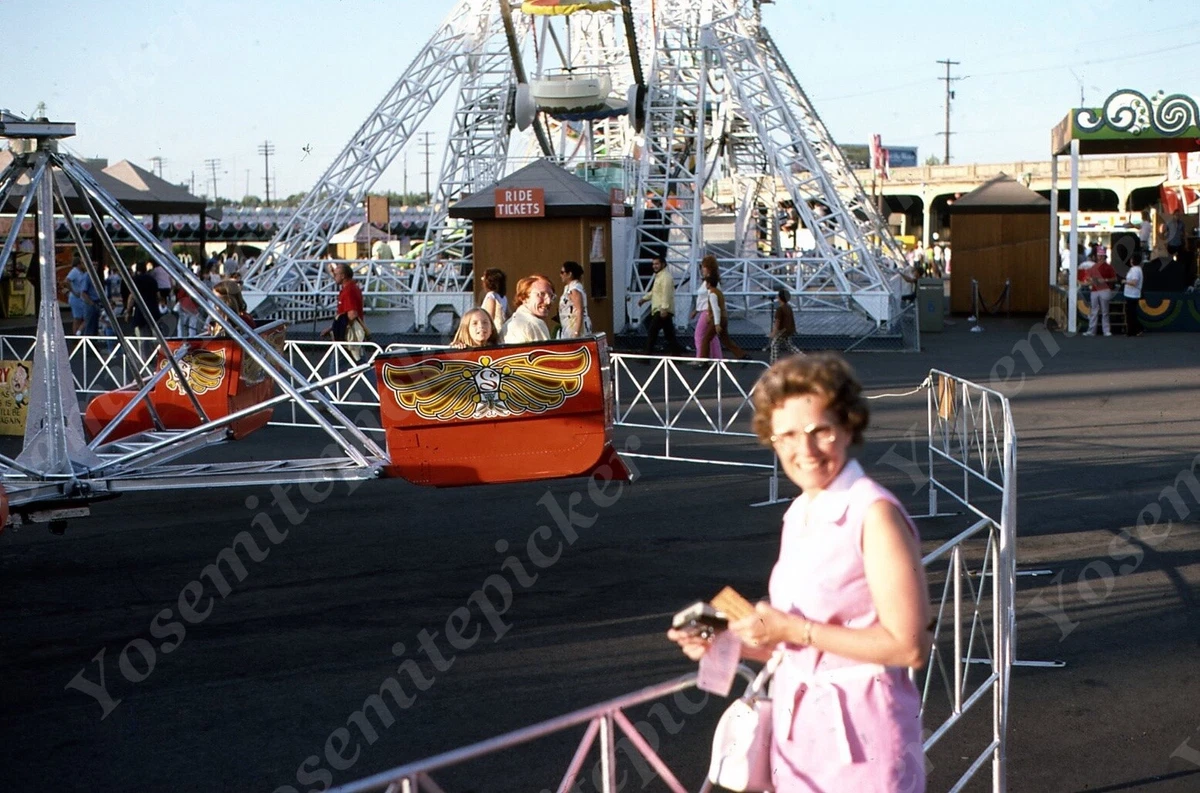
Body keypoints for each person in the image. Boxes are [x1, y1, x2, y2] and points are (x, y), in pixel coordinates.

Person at [668, 353, 930, 792]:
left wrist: (793, 627)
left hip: (863, 743)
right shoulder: (801, 512)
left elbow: (909, 647)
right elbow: (797, 645)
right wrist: (724, 642)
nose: (803, 450)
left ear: (848, 427)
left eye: (819, 431)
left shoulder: (874, 514)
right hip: (799, 738)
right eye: (786, 435)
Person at [700, 255, 747, 359]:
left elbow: (716, 309)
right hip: (724, 317)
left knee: (706, 339)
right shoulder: (718, 292)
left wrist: (716, 323)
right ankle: (742, 355)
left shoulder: (712, 293)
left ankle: (704, 360)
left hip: (718, 319)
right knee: (726, 340)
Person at [638, 256, 685, 355]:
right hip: (661, 310)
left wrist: (664, 308)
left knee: (652, 332)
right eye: (653, 264)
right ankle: (677, 355)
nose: (654, 266)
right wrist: (644, 299)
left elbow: (666, 293)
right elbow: (655, 292)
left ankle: (646, 356)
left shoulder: (665, 277)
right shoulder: (660, 276)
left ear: (663, 264)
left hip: (661, 310)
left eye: (657, 264)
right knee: (669, 335)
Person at [500, 274, 554, 344]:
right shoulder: (534, 324)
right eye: (541, 294)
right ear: (524, 298)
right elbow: (546, 354)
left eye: (551, 296)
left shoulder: (507, 325)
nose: (548, 301)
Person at [320, 263, 365, 342]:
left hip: (348, 335)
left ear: (343, 276)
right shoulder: (352, 288)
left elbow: (352, 314)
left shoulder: (348, 291)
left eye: (335, 274)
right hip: (352, 333)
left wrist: (338, 329)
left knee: (347, 353)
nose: (334, 276)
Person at [1080, 250, 1117, 337]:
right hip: (1095, 290)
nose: (1099, 257)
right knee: (1094, 311)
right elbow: (1087, 277)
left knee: (1104, 311)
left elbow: (1115, 278)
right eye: (1098, 255)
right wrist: (1090, 280)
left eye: (1100, 255)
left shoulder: (1108, 267)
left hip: (1104, 290)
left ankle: (1106, 331)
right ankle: (1092, 330)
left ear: (1104, 256)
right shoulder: (1093, 267)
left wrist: (1105, 280)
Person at [689, 272, 722, 358]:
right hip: (707, 311)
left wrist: (712, 317)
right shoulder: (712, 288)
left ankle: (701, 357)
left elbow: (715, 306)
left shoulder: (712, 291)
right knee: (711, 336)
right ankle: (716, 357)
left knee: (699, 335)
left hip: (707, 312)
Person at [65, 259, 100, 335]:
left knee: (83, 318)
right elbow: (67, 281)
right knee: (78, 317)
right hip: (77, 298)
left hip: (81, 298)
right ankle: (76, 335)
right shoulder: (75, 271)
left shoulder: (83, 273)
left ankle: (79, 333)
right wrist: (73, 291)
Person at [558, 260, 592, 339]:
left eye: (562, 272)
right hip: (568, 325)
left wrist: (576, 333)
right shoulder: (569, 288)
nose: (560, 275)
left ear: (569, 274)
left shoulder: (574, 289)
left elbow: (579, 310)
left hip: (574, 326)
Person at [768, 288, 802, 362]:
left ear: (780, 298)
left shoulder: (779, 309)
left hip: (782, 331)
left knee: (774, 345)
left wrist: (774, 332)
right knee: (790, 346)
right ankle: (803, 357)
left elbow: (777, 322)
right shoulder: (788, 307)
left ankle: (774, 362)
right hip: (788, 329)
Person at [1123, 255, 1144, 337]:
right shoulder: (1138, 269)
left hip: (1132, 294)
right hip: (1134, 294)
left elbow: (1134, 282)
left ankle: (1135, 329)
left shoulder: (1135, 270)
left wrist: (1125, 281)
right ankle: (1134, 330)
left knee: (1131, 313)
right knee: (1132, 313)